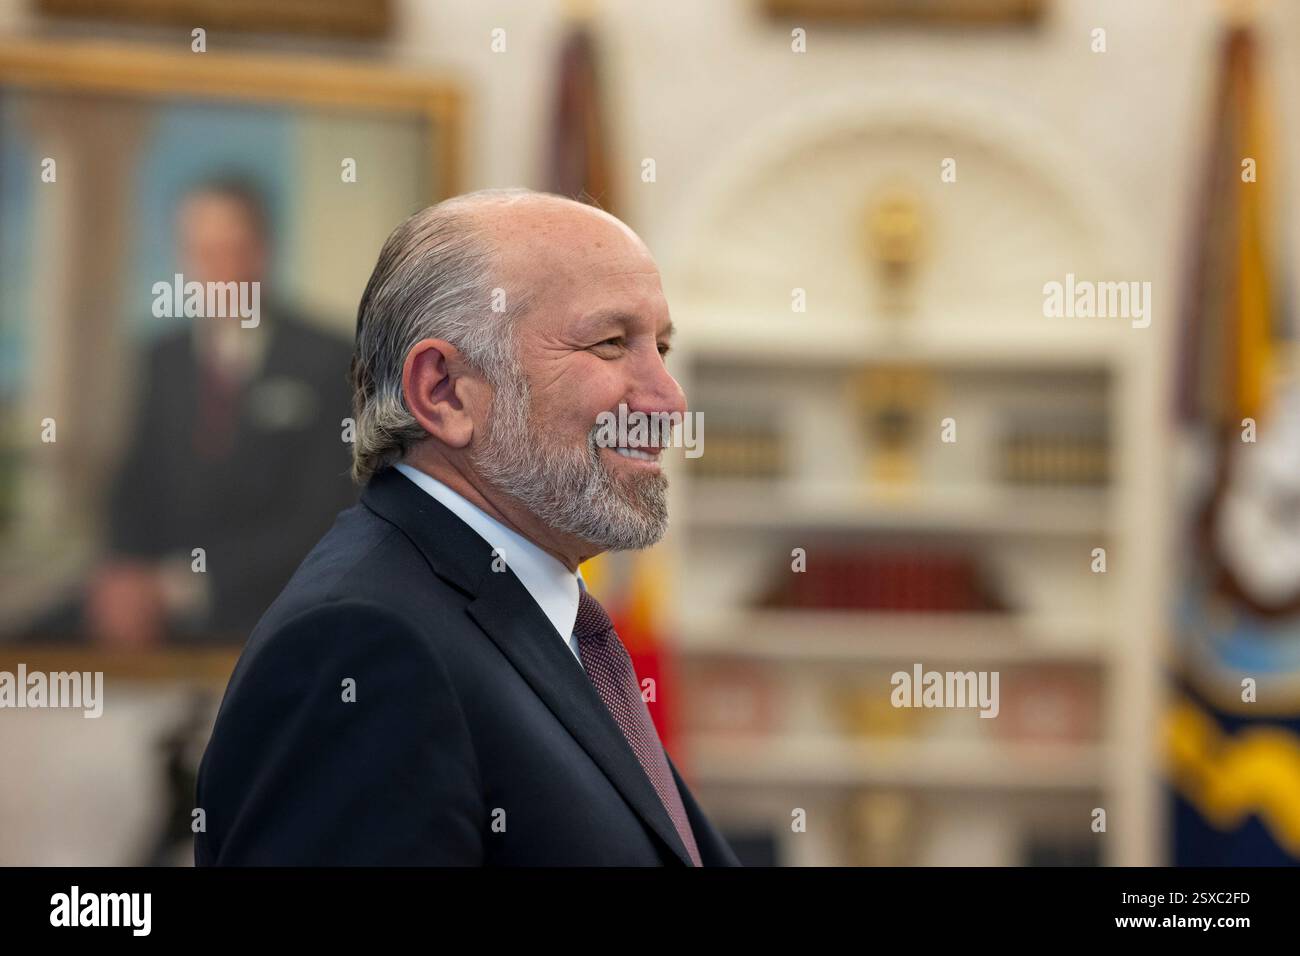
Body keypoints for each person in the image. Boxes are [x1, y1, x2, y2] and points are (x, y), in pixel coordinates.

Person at [195, 188, 740, 865]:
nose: (670, 399)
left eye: (659, 346)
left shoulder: (538, 620)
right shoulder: (361, 647)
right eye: (609, 343)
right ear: (444, 391)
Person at [86, 177, 356, 646]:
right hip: (155, 631)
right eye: (200, 252)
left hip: (278, 624)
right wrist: (125, 575)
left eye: (229, 250)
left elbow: (326, 515)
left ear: (261, 251)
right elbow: (134, 483)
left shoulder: (327, 359)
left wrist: (180, 588)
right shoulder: (161, 359)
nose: (214, 270)